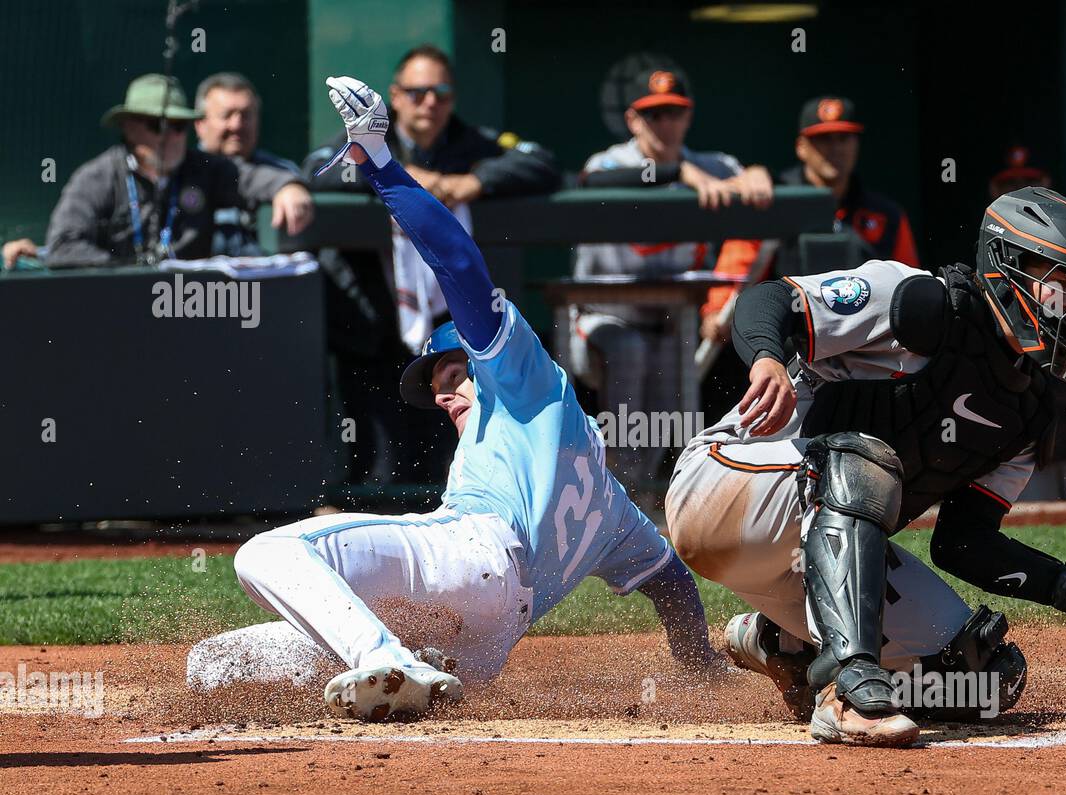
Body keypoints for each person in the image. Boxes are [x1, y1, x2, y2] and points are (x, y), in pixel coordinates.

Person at [190, 77, 719, 720]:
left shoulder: (524, 377)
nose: (444, 395)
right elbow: (670, 583)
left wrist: (382, 166)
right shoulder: (609, 504)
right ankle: (411, 662)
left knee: (265, 552)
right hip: (484, 643)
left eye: (451, 375)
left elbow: (458, 262)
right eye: (435, 387)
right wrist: (704, 674)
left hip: (473, 556)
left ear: (484, 356)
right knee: (215, 665)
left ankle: (388, 659)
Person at [666, 186, 1066, 747]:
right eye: (1061, 284)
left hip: (804, 551)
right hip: (724, 488)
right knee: (863, 458)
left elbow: (964, 544)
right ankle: (847, 688)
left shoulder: (1028, 413)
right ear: (1008, 266)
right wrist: (766, 358)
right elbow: (767, 300)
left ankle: (784, 642)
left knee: (978, 678)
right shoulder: (915, 302)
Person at [304, 45, 561, 486]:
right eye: (418, 92)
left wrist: (474, 181)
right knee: (375, 462)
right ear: (396, 96)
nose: (430, 103)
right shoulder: (368, 142)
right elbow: (315, 170)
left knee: (445, 455)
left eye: (441, 92)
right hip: (375, 322)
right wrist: (391, 174)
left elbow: (541, 162)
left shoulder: (470, 142)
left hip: (447, 327)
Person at [572, 67, 773, 500]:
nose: (664, 123)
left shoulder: (710, 167)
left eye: (673, 113)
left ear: (687, 116)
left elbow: (750, 185)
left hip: (671, 323)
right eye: (654, 114)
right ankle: (613, 499)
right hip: (601, 320)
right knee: (631, 357)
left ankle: (631, 502)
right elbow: (595, 181)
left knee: (664, 421)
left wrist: (754, 173)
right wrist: (678, 174)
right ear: (633, 119)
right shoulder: (610, 161)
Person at [700, 96, 919, 346]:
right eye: (823, 139)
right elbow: (738, 265)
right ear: (801, 147)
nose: (835, 148)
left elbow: (907, 287)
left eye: (843, 138)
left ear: (856, 144)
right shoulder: (774, 200)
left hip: (862, 349)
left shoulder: (886, 214)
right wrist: (716, 310)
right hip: (791, 347)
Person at [44, 74, 310, 268]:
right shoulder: (96, 177)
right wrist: (127, 272)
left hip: (188, 309)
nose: (168, 136)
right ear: (129, 127)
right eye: (157, 125)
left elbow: (250, 177)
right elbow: (64, 246)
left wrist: (287, 187)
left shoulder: (203, 167)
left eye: (178, 126)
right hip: (115, 306)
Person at [194, 72, 314, 256]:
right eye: (226, 115)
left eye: (246, 115)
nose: (237, 125)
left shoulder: (282, 172)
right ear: (200, 124)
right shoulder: (183, 170)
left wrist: (291, 187)